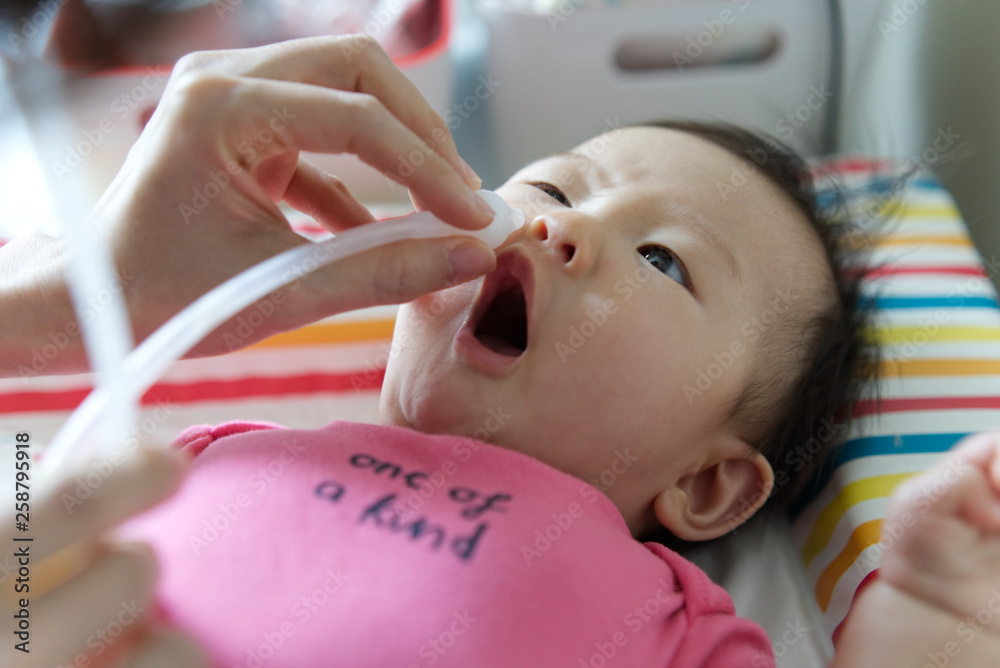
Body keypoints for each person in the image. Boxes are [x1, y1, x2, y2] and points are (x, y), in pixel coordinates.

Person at [3, 35, 1000, 668]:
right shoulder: (218, 446)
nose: (562, 231)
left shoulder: (664, 616)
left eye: (663, 260)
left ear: (705, 488)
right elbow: (38, 548)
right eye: (556, 191)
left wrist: (926, 612)